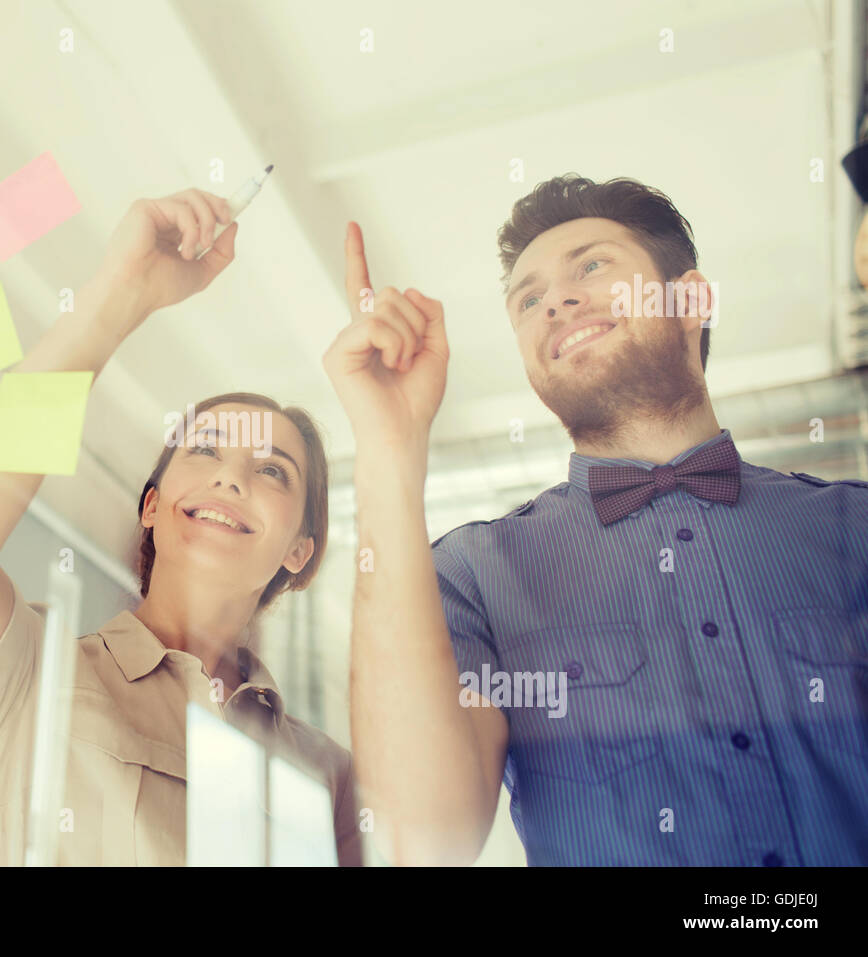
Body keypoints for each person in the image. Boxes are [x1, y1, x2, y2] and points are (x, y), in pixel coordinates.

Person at [325, 174, 868, 866]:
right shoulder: (471, 576)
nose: (556, 299)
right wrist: (387, 448)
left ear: (692, 299)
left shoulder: (856, 527)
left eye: (591, 264)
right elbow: (419, 840)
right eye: (528, 299)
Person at [0, 188, 361, 865]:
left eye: (272, 471)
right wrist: (124, 292)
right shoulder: (35, 672)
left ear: (300, 549)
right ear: (151, 506)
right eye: (205, 449)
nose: (230, 477)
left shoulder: (327, 774)